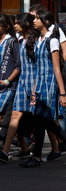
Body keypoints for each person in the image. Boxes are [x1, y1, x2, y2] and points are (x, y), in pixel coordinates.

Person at [21, 9, 66, 168]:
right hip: (40, 85)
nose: (34, 21)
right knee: (43, 121)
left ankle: (38, 156)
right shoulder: (39, 40)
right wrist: (34, 90)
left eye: (37, 18)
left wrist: (63, 94)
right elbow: (37, 68)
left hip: (50, 85)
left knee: (42, 119)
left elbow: (56, 68)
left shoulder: (52, 40)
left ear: (46, 22)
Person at [0, 13, 37, 162]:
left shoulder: (22, 42)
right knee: (15, 117)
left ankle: (65, 142)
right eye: (14, 22)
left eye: (18, 22)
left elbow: (24, 65)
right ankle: (6, 151)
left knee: (45, 120)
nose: (16, 25)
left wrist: (8, 81)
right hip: (22, 84)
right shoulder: (20, 40)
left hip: (29, 84)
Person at [0, 13, 21, 151]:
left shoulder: (12, 42)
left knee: (8, 119)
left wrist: (8, 80)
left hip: (8, 87)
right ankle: (23, 146)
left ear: (6, 27)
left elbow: (18, 66)